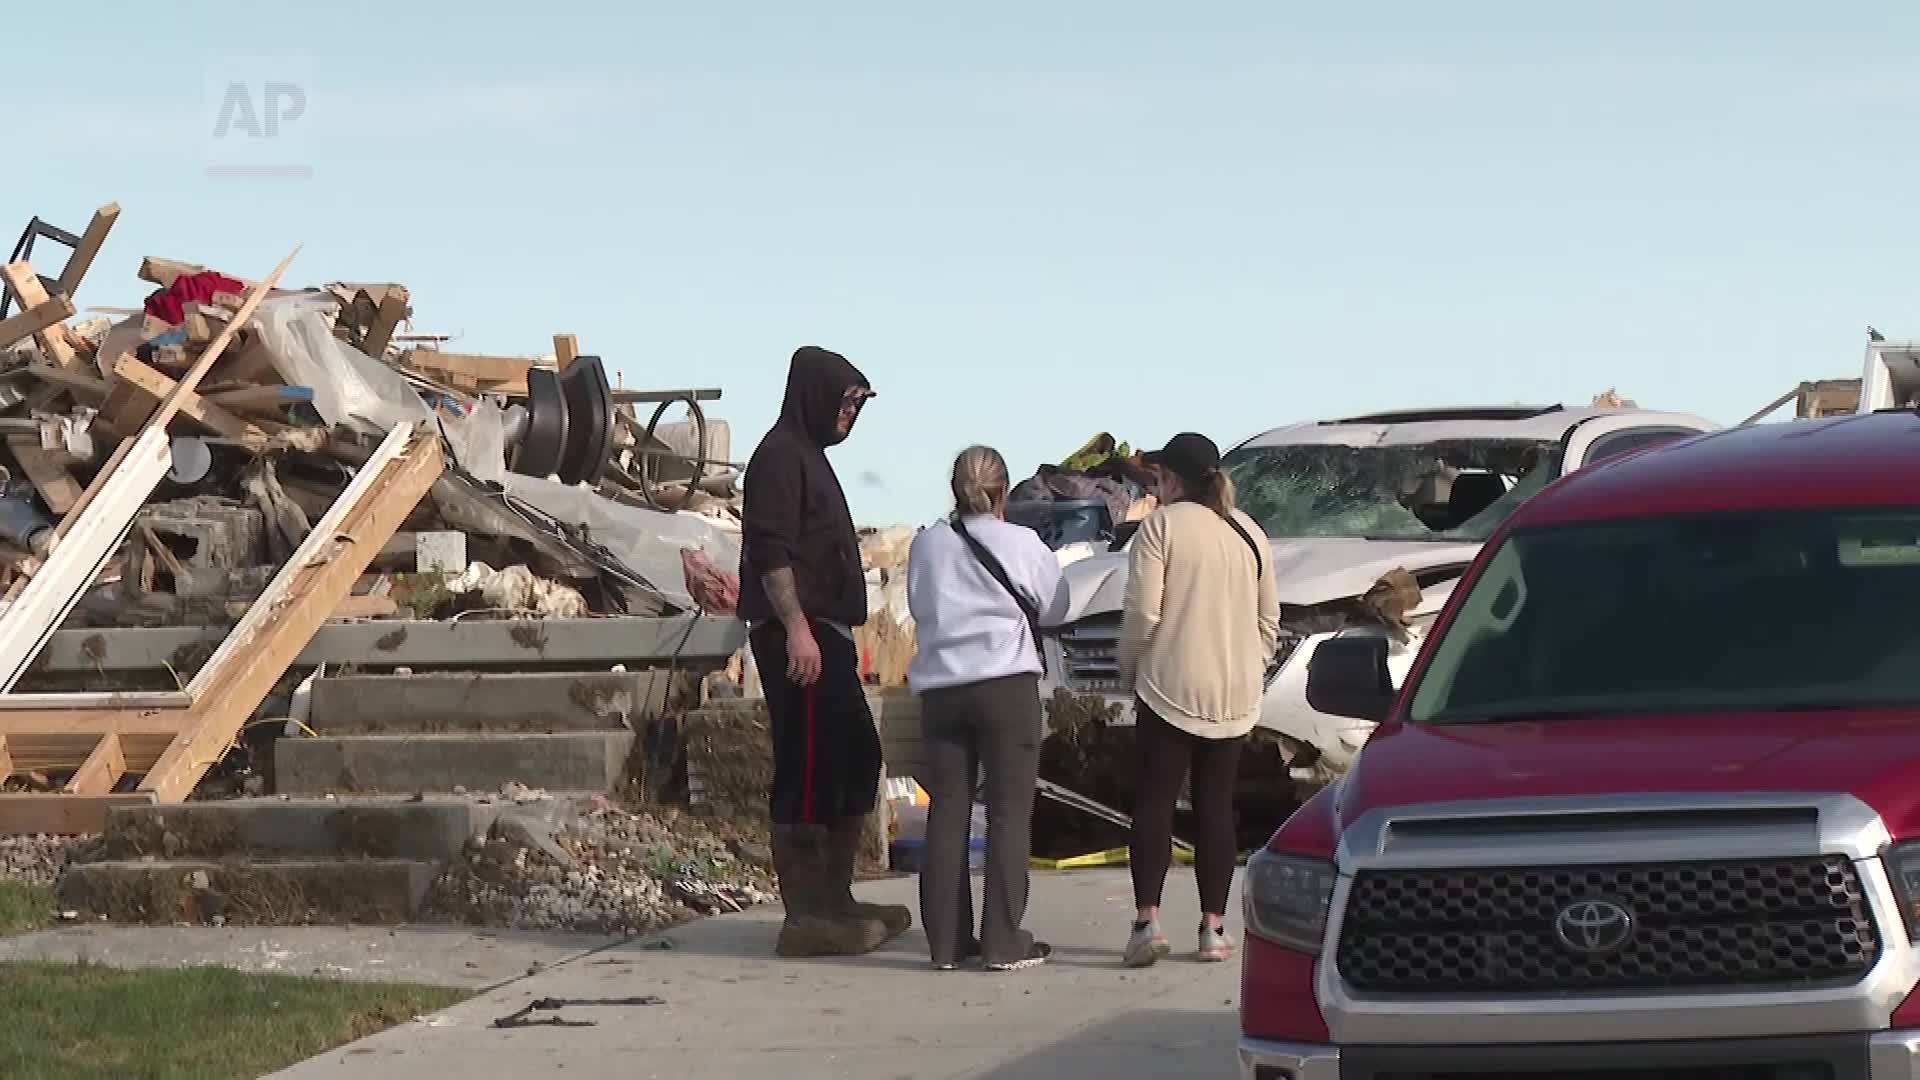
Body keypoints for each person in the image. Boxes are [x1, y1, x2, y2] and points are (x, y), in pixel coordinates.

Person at [739, 345, 913, 958]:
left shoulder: (808, 456)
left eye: (858, 405)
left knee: (856, 759)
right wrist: (796, 628)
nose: (850, 413)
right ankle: (807, 915)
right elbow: (770, 549)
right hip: (801, 635)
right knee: (808, 767)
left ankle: (835, 897)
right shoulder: (779, 458)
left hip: (825, 634)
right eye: (844, 401)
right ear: (813, 395)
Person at [905, 446, 1070, 972]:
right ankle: (1002, 940)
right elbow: (1057, 607)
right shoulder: (1022, 543)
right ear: (1002, 493)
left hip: (941, 690)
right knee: (1009, 812)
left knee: (948, 808)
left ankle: (947, 944)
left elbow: (917, 606)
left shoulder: (927, 544)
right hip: (1005, 685)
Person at [1118, 432, 1279, 967]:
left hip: (1169, 685)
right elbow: (1269, 620)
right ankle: (1213, 929)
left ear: (1170, 479)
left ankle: (1147, 923)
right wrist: (1251, 666)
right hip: (1235, 693)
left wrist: (1130, 666)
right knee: (1216, 806)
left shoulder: (1160, 527)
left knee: (1155, 801)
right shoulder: (1250, 531)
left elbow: (1144, 613)